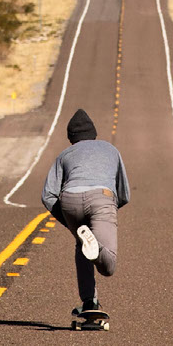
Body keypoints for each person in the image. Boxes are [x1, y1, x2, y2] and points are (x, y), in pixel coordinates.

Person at [41, 108, 130, 318]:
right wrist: (107, 214)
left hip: (69, 200)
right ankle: (96, 247)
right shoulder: (110, 150)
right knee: (108, 266)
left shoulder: (64, 155)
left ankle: (89, 301)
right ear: (94, 133)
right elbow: (124, 194)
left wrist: (68, 220)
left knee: (81, 244)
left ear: (70, 137)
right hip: (102, 198)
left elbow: (48, 195)